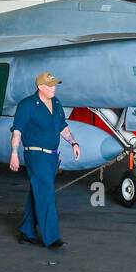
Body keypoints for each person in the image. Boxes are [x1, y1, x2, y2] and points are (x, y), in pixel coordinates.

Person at [9, 72, 80, 249]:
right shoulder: (27, 105)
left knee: (38, 191)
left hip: (52, 156)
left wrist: (73, 142)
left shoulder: (56, 103)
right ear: (40, 87)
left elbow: (62, 126)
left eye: (55, 84)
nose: (54, 87)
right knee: (46, 194)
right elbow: (17, 130)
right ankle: (52, 238)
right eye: (50, 85)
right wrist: (14, 153)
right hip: (36, 155)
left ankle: (27, 232)